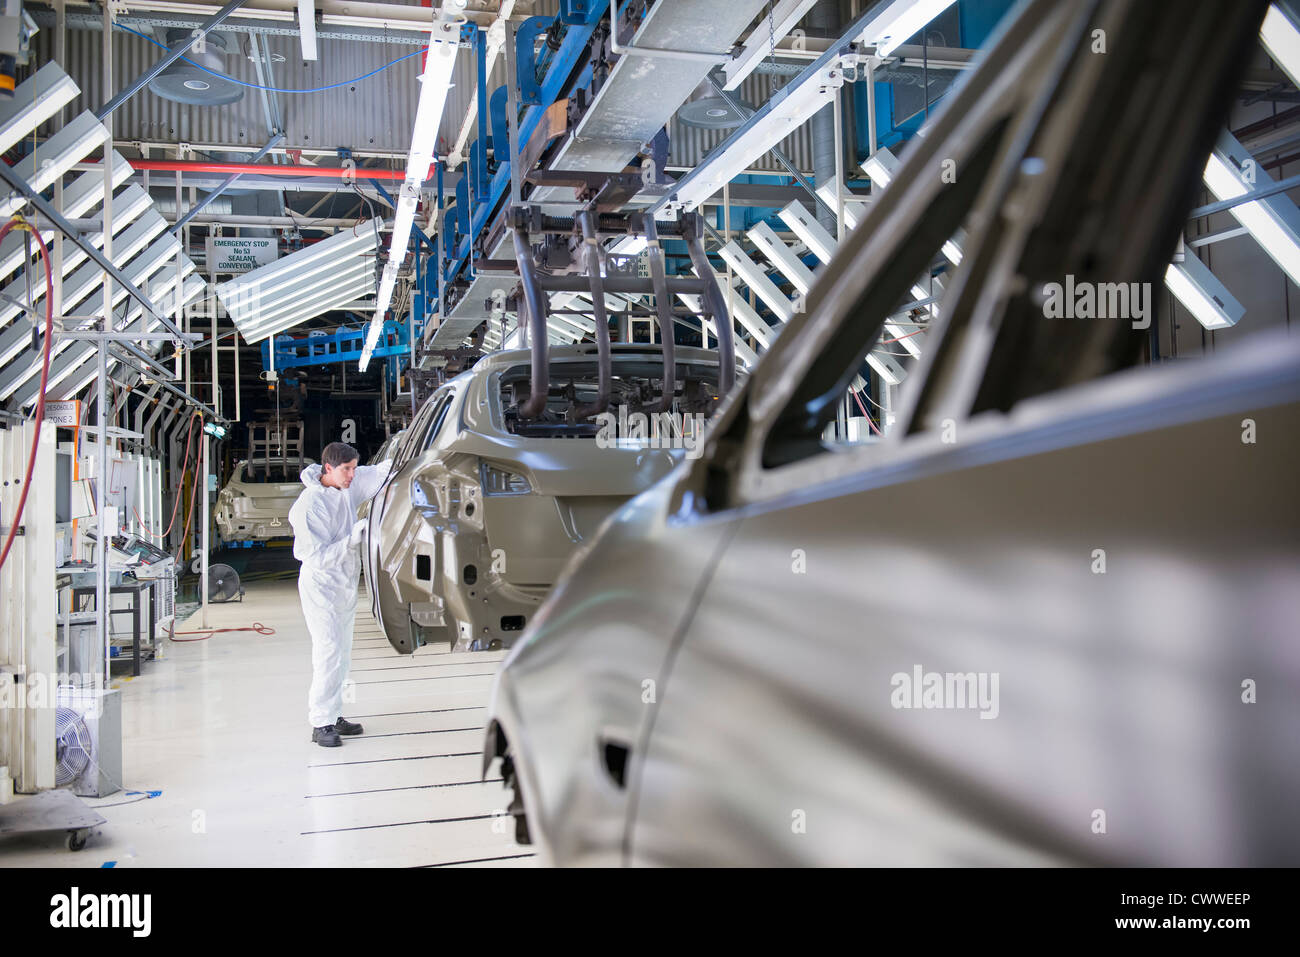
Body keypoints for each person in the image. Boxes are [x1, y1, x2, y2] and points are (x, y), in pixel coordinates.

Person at [289, 441, 392, 747]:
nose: (352, 475)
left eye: (354, 468)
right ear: (328, 468)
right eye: (346, 469)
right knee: (328, 653)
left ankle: (334, 715)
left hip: (344, 584)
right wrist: (351, 539)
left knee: (342, 655)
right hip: (321, 587)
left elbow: (378, 474)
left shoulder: (346, 486)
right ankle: (320, 723)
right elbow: (315, 557)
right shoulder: (309, 505)